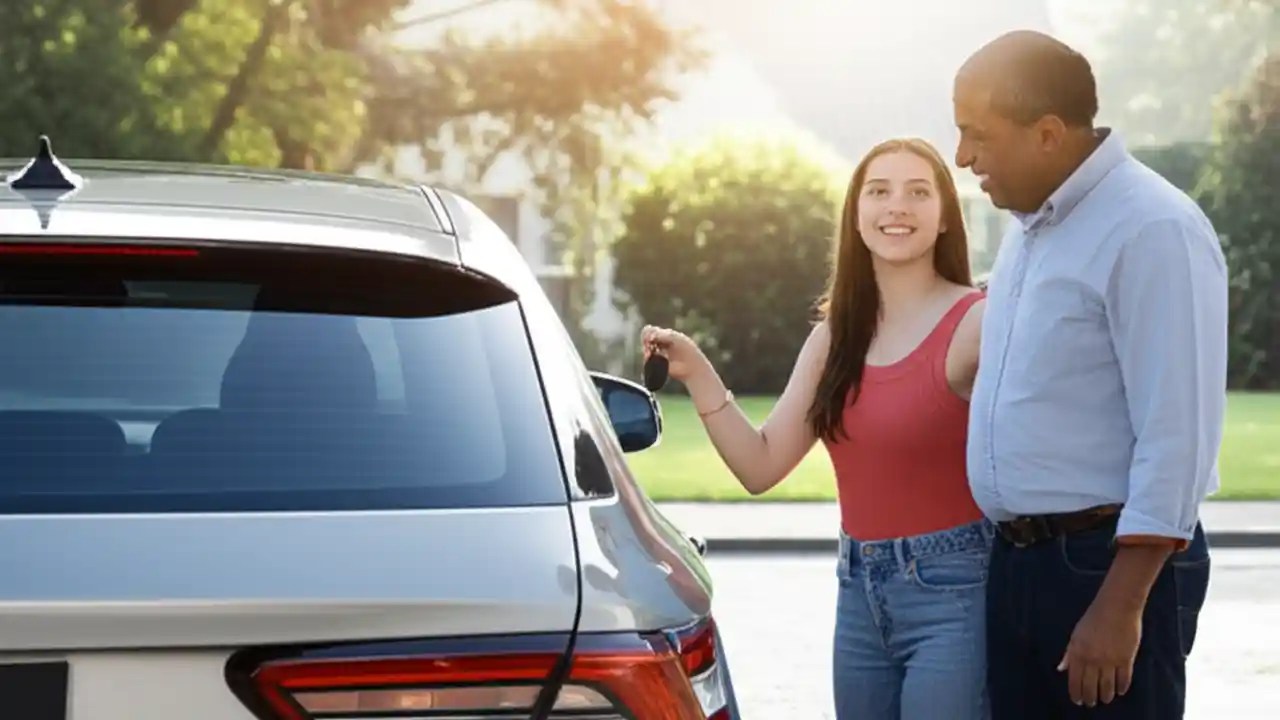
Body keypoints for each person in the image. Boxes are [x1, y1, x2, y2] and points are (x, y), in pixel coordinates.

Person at [641, 137, 991, 720]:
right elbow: (761, 465)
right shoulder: (834, 337)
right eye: (878, 192)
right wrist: (697, 374)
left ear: (946, 217)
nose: (896, 206)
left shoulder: (980, 319)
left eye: (917, 192)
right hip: (858, 592)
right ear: (856, 217)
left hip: (956, 591)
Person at [952, 30, 1228, 719]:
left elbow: (1179, 438)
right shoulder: (1027, 228)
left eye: (977, 135)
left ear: (1047, 134)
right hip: (1019, 564)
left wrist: (1120, 605)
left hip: (1104, 570)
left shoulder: (1152, 229)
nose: (963, 157)